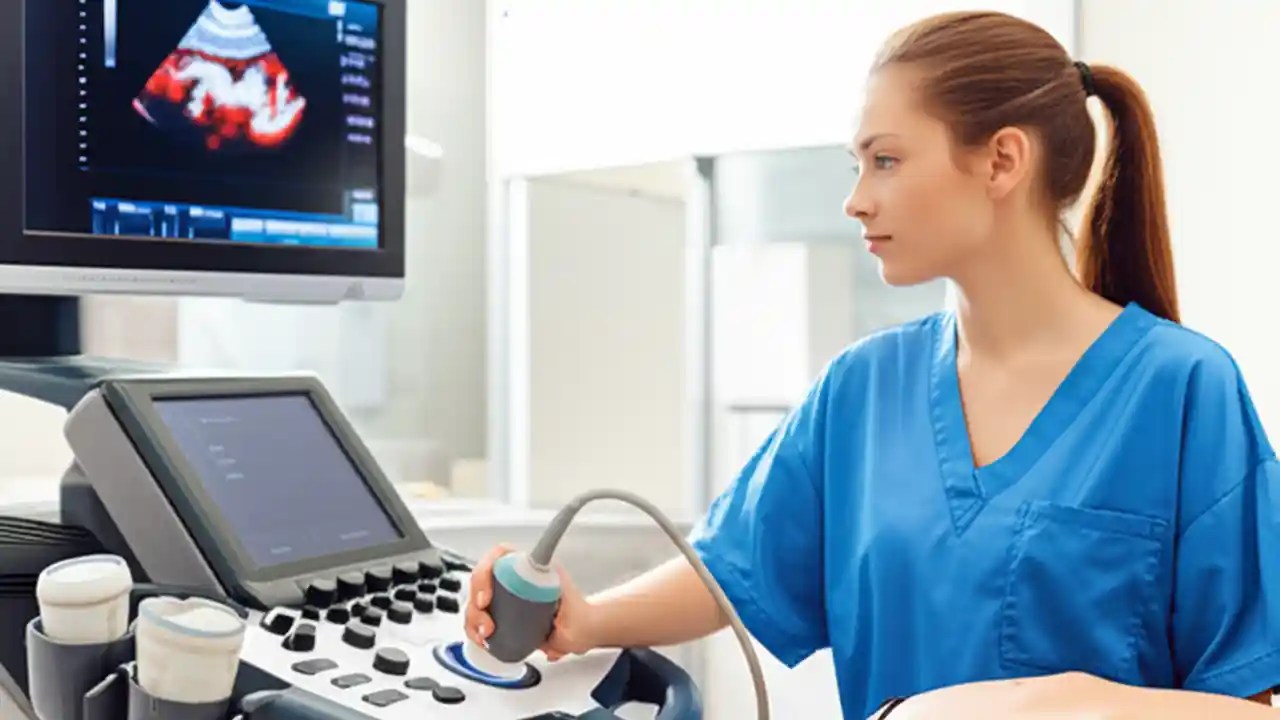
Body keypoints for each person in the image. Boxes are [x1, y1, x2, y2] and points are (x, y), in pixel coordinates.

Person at [467, 10, 1280, 719]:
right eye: (856, 166)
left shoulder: (1182, 393)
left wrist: (1036, 705)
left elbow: (1243, 701)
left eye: (884, 161)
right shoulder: (861, 390)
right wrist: (586, 618)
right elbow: (736, 566)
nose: (856, 198)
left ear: (1001, 161)